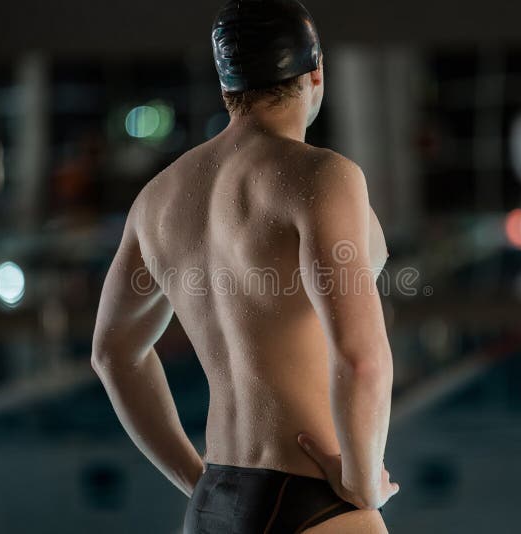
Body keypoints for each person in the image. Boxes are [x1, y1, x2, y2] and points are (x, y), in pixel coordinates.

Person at [91, 0, 399, 531]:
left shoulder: (158, 198)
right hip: (311, 498)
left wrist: (198, 482)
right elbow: (361, 358)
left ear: (227, 87)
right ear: (316, 71)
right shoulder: (323, 177)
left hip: (214, 502)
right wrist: (363, 480)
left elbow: (112, 355)